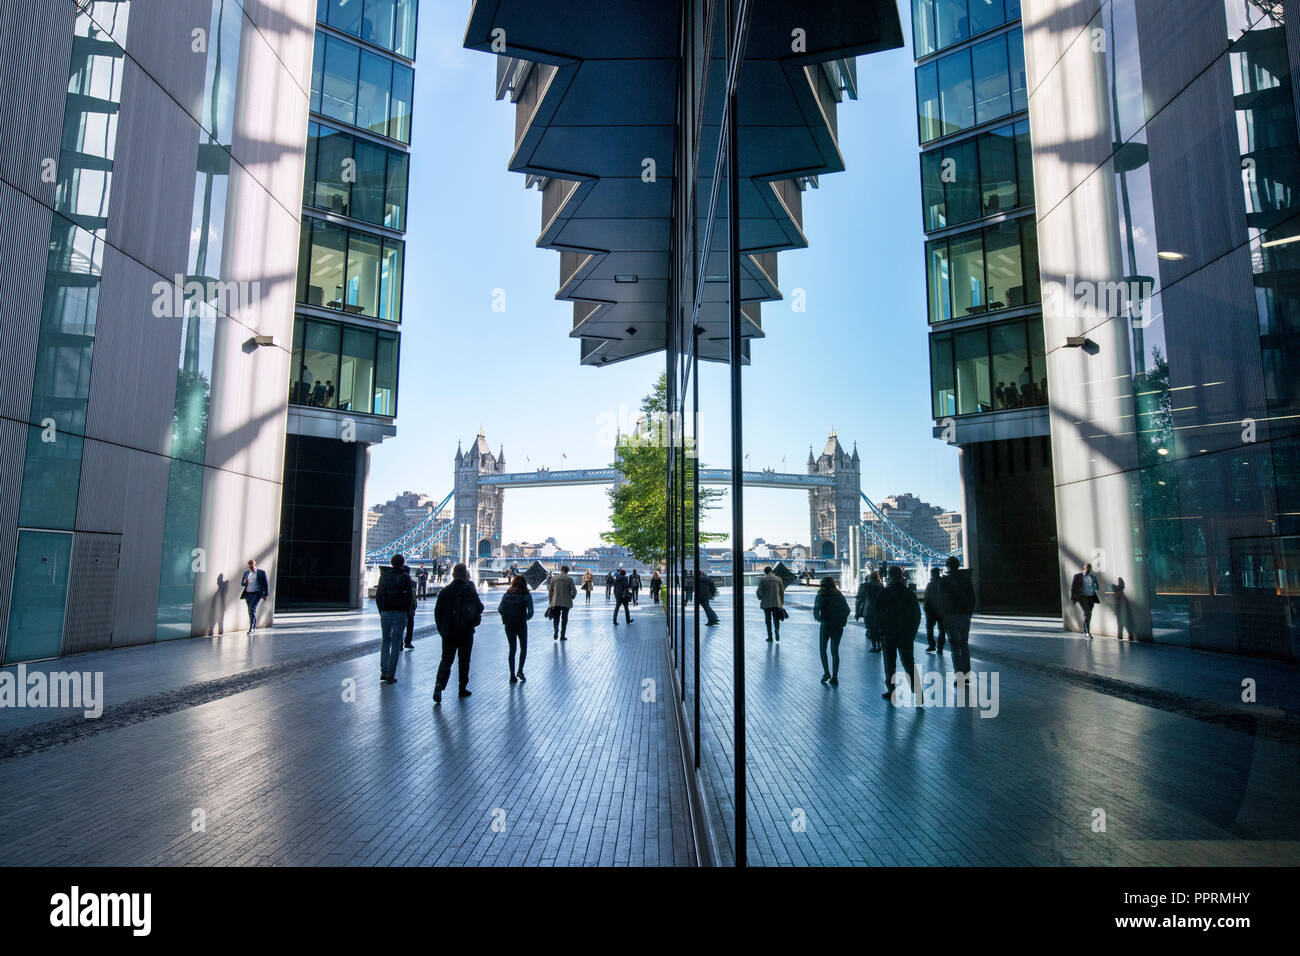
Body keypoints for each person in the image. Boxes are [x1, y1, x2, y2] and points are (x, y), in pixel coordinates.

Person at [432, 563, 483, 703]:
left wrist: (442, 630)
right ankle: (462, 688)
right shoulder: (470, 590)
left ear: (453, 574)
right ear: (465, 574)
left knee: (446, 659)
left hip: (448, 632)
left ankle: (439, 685)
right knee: (464, 660)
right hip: (466, 631)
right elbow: (480, 607)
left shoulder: (445, 591)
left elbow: (437, 613)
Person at [875, 565, 922, 701]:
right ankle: (918, 692)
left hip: (889, 634)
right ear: (901, 577)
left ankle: (892, 690)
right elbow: (916, 616)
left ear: (889, 577)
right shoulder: (909, 594)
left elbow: (877, 614)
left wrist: (880, 631)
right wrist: (912, 632)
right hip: (905, 634)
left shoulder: (884, 593)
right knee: (908, 662)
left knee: (889, 663)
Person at [374, 554, 414, 684]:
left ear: (391, 563)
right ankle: (391, 674)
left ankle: (383, 671)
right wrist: (408, 613)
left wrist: (381, 610)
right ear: (402, 564)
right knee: (396, 643)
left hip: (385, 611)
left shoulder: (384, 576)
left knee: (386, 640)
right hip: (400, 613)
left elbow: (378, 595)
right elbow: (410, 598)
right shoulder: (405, 577)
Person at [939, 555, 977, 683]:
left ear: (948, 566)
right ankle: (967, 675)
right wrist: (969, 613)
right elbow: (972, 597)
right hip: (965, 615)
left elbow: (941, 600)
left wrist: (943, 615)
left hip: (951, 615)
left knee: (955, 647)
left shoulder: (945, 580)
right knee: (964, 644)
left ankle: (959, 676)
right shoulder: (967, 579)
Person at [812, 576, 850, 685]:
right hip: (838, 626)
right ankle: (835, 677)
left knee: (823, 650)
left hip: (826, 626)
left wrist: (822, 620)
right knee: (835, 651)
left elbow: (816, 612)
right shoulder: (839, 594)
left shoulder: (821, 595)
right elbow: (847, 610)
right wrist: (841, 620)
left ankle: (826, 672)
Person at [497, 574, 534, 683]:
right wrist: (524, 618)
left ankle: (512, 675)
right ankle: (520, 671)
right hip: (521, 624)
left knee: (512, 649)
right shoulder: (526, 594)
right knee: (523, 648)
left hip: (509, 624)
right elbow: (531, 612)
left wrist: (508, 616)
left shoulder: (507, 593)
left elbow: (500, 609)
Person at [855, 570, 884, 652]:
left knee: (871, 629)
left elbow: (860, 599)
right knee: (877, 629)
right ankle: (879, 645)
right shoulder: (881, 586)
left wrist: (858, 612)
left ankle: (874, 646)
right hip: (879, 611)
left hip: (869, 611)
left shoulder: (867, 587)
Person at [1070, 562, 1101, 638]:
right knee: (1087, 613)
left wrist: (1094, 587)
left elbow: (1097, 587)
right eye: (1087, 569)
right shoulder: (1078, 576)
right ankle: (1087, 631)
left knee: (1088, 613)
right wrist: (1073, 598)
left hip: (1091, 597)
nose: (1088, 571)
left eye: (1090, 569)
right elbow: (1073, 588)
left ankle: (1085, 628)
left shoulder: (1093, 577)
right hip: (1082, 597)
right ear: (1084, 569)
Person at [756, 565, 786, 642]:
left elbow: (758, 592)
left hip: (766, 603)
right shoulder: (778, 579)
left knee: (768, 620)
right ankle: (777, 631)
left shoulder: (763, 579)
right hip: (776, 603)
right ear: (771, 571)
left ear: (765, 572)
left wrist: (761, 598)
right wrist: (781, 602)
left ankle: (770, 636)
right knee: (776, 619)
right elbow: (782, 592)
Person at [548, 563, 577, 640]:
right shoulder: (569, 579)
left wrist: (550, 601)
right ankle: (562, 635)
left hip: (556, 601)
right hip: (566, 602)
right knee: (564, 619)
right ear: (567, 572)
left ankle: (556, 629)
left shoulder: (554, 579)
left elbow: (550, 591)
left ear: (561, 570)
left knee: (556, 617)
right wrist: (571, 597)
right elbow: (574, 591)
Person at [241, 559, 269, 633]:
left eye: (252, 565)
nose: (251, 567)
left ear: (255, 565)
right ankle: (254, 625)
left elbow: (265, 584)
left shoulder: (261, 573)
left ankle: (252, 627)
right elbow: (243, 584)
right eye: (249, 565)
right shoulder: (246, 573)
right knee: (250, 610)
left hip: (257, 593)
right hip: (248, 594)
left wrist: (266, 594)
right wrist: (244, 582)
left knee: (252, 608)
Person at [923, 567, 946, 655]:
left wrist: (926, 608)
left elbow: (926, 597)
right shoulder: (943, 583)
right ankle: (940, 648)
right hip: (941, 610)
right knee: (942, 630)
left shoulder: (930, 584)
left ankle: (932, 645)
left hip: (931, 611)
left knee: (929, 628)